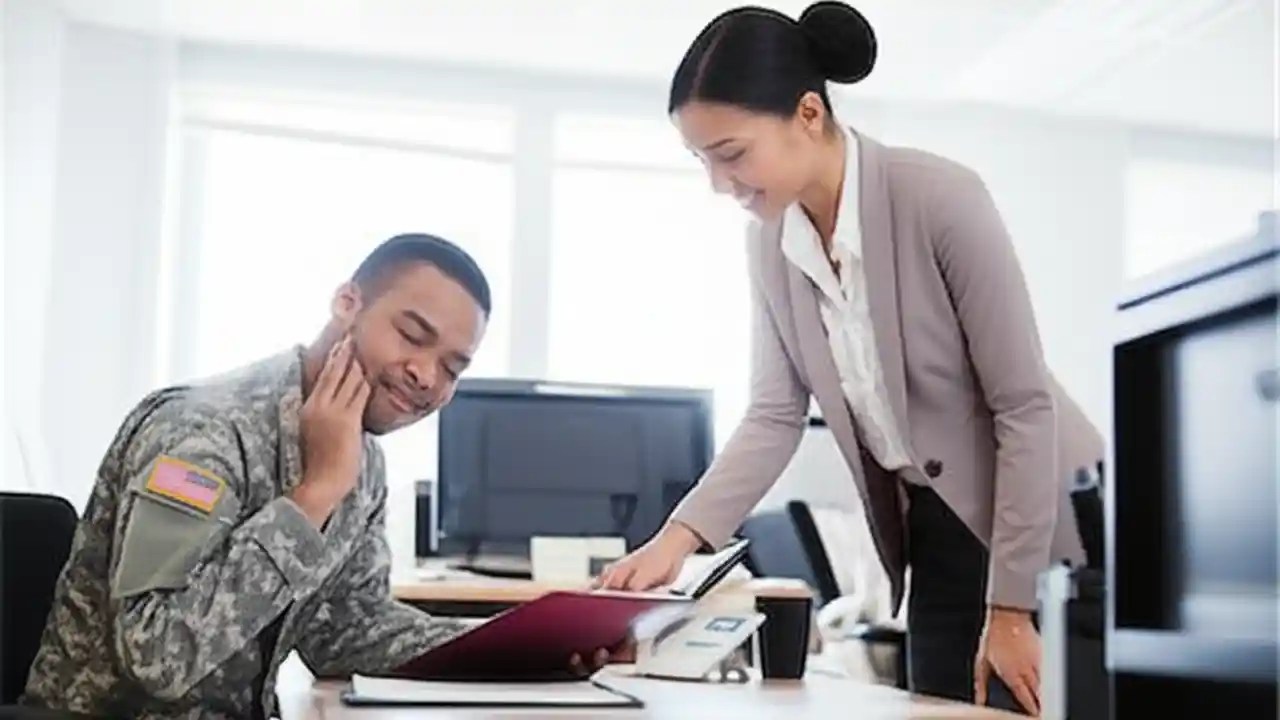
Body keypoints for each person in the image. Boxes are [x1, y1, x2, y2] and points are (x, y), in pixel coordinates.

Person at [596, 3, 1106, 715]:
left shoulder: (940, 197)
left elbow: (1022, 405)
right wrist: (677, 540)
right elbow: (775, 413)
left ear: (809, 113)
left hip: (1044, 522)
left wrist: (1014, 608)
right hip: (936, 529)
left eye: (733, 154)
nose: (720, 183)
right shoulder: (771, 244)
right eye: (703, 161)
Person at [22, 234, 612, 719]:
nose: (428, 377)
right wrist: (314, 496)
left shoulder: (360, 453)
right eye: (411, 336)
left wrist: (527, 647)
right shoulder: (200, 434)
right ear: (347, 303)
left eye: (453, 367)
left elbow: (346, 632)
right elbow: (158, 657)